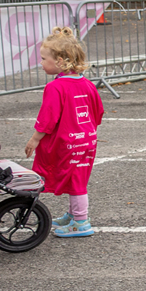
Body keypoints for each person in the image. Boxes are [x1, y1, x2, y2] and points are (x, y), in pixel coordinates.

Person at [23, 28, 102, 239]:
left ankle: (80, 221)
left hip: (68, 143)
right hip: (87, 140)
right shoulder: (87, 84)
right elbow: (98, 112)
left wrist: (35, 139)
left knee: (76, 183)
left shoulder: (56, 87)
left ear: (59, 61)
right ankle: (73, 214)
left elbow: (48, 118)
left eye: (43, 58)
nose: (40, 63)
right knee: (77, 178)